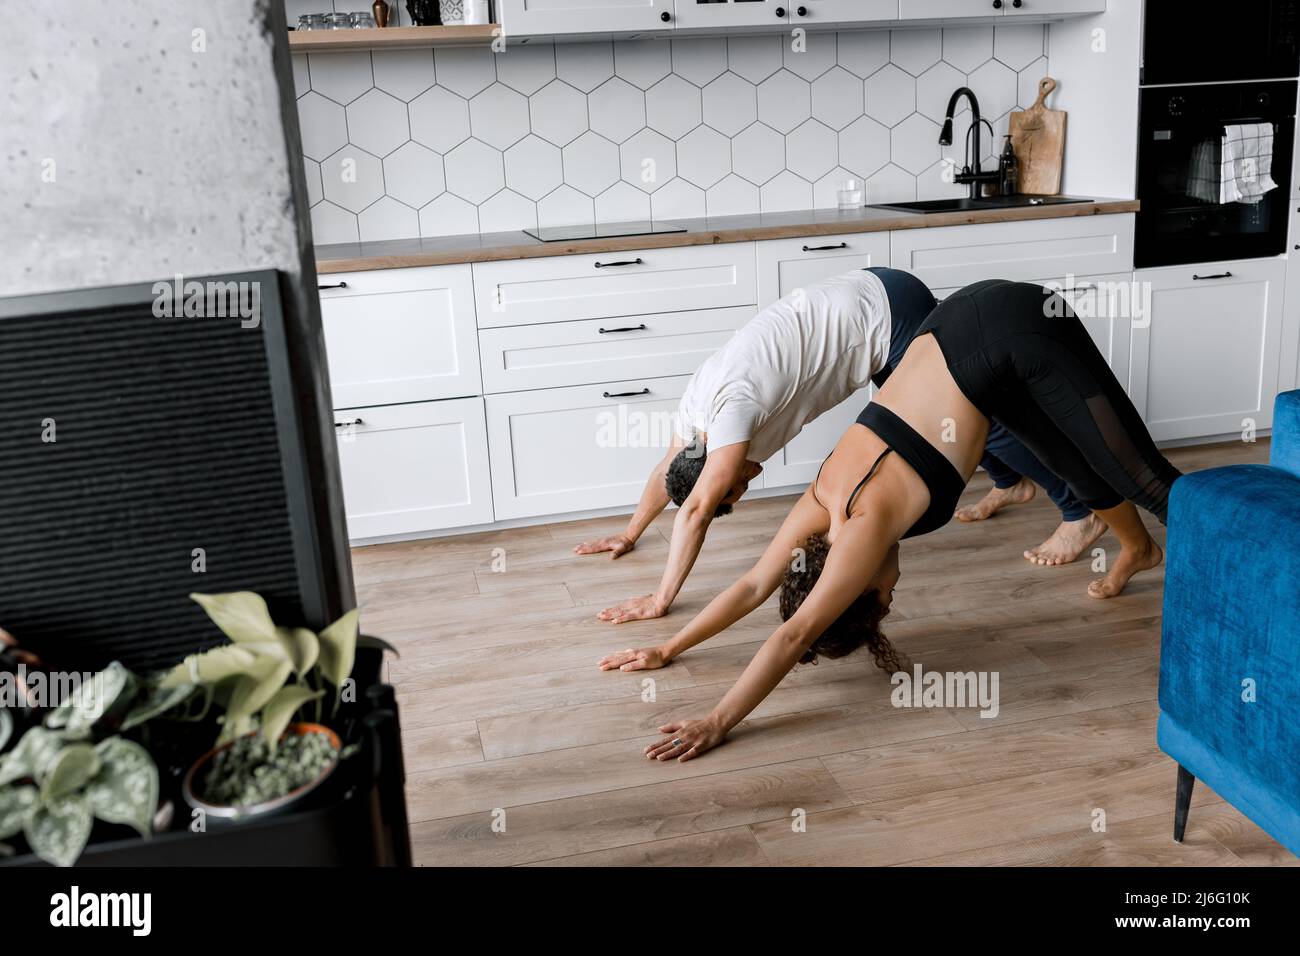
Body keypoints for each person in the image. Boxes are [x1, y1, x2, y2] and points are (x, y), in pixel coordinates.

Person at [599, 278, 1181, 762]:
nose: (895, 589)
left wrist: (718, 719)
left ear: (859, 588)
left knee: (1143, 476)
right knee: (1068, 457)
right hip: (961, 324)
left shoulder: (863, 527)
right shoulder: (822, 502)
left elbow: (793, 631)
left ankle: (1254, 559)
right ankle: (1138, 549)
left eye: (883, 599)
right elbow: (754, 586)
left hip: (1010, 329)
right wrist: (668, 648)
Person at [575, 268, 1104, 625]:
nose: (749, 478)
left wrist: (661, 599)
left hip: (887, 312)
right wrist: (630, 532)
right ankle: (1013, 484)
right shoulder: (695, 423)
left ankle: (1080, 511)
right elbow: (668, 476)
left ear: (718, 465)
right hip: (869, 299)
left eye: (734, 484)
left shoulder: (728, 414)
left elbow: (694, 511)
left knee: (977, 409)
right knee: (945, 421)